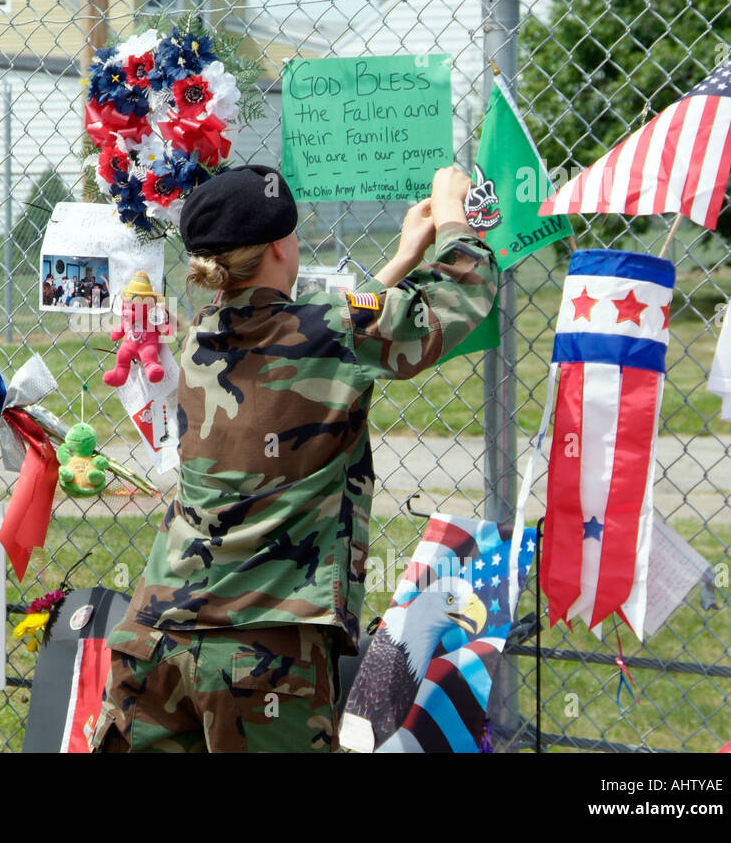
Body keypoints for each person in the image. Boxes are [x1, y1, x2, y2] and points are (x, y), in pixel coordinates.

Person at [92, 164, 498, 753]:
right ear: (284, 245)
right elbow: (458, 294)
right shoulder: (332, 333)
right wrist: (455, 214)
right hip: (261, 654)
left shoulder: (202, 335)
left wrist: (404, 256)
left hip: (154, 640)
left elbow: (321, 336)